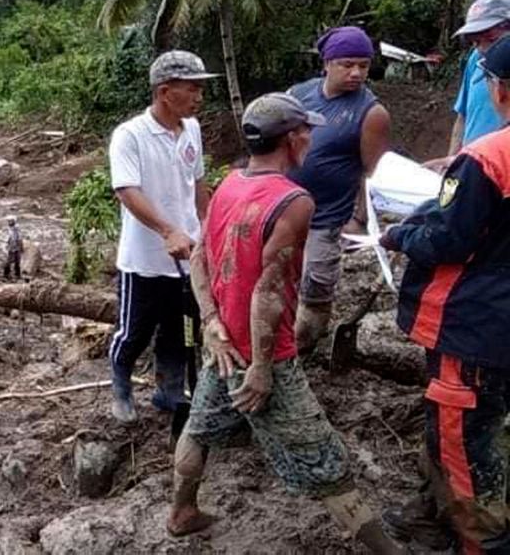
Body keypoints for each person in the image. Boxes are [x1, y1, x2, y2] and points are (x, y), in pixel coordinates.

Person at [170, 93, 399, 553]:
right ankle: (388, 551)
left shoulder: (228, 184)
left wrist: (211, 321)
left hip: (223, 344)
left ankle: (182, 512)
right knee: (324, 458)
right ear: (292, 139)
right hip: (265, 354)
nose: (311, 138)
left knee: (199, 429)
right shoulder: (294, 201)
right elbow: (268, 292)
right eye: (307, 131)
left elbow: (199, 258)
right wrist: (262, 367)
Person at [376, 35, 510, 554]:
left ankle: (479, 542)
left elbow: (450, 240)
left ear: (499, 90)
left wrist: (401, 234)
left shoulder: (488, 157)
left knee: (465, 445)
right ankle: (434, 515)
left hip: (475, 326)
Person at [108, 50, 214, 423]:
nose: (199, 96)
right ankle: (121, 386)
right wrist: (168, 230)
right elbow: (127, 190)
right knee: (133, 331)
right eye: (192, 88)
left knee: (179, 327)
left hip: (188, 253)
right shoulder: (130, 135)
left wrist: (208, 225)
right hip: (145, 257)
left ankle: (169, 391)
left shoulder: (192, 129)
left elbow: (197, 182)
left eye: (200, 88)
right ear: (165, 92)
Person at [287, 26, 391, 351]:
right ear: (327, 63)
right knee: (278, 280)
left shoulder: (371, 113)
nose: (356, 73)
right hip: (286, 211)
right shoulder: (298, 95)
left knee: (315, 288)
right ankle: (278, 344)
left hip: (328, 217)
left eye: (363, 65)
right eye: (347, 64)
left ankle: (305, 348)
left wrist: (358, 219)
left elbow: (373, 173)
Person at [447, 0, 510, 157]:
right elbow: (463, 117)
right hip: (472, 163)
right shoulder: (475, 59)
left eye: (492, 39)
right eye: (475, 42)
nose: (482, 48)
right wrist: (453, 160)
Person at [2, 216, 23, 281]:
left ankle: (17, 274)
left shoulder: (16, 229)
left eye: (11, 221)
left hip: (16, 246)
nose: (9, 222)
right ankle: (6, 274)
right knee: (9, 261)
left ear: (14, 221)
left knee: (17, 261)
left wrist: (20, 246)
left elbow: (19, 238)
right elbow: (7, 239)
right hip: (11, 247)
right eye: (9, 221)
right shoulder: (9, 229)